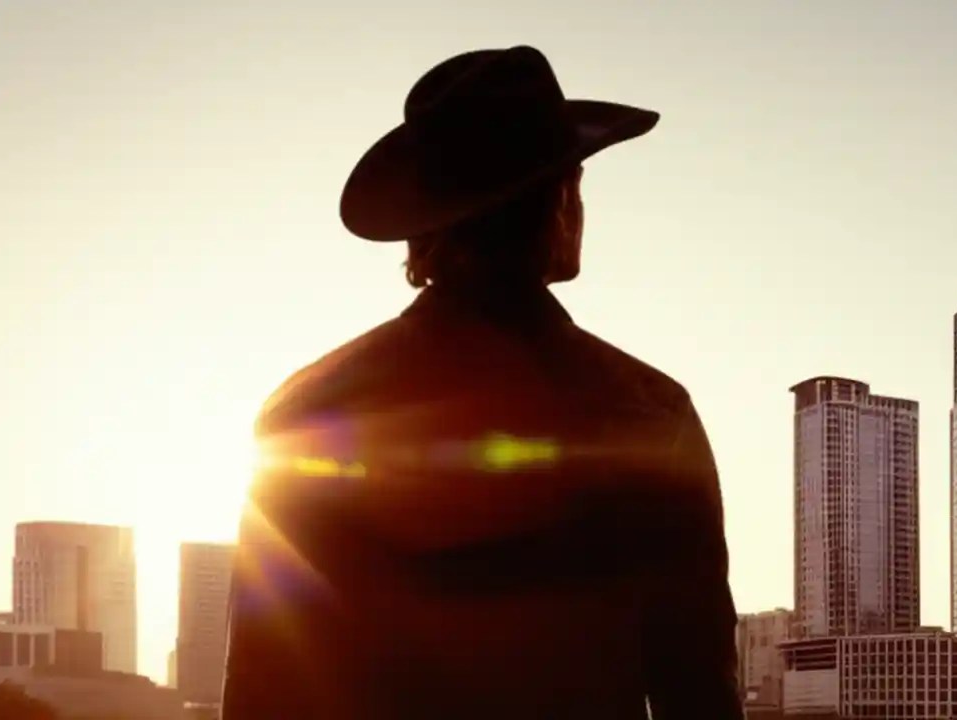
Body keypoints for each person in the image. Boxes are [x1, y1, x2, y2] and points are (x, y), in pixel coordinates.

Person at [221, 46, 742, 719]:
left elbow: (264, 688)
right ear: (558, 200)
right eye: (576, 182)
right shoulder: (645, 412)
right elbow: (695, 686)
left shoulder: (306, 410)